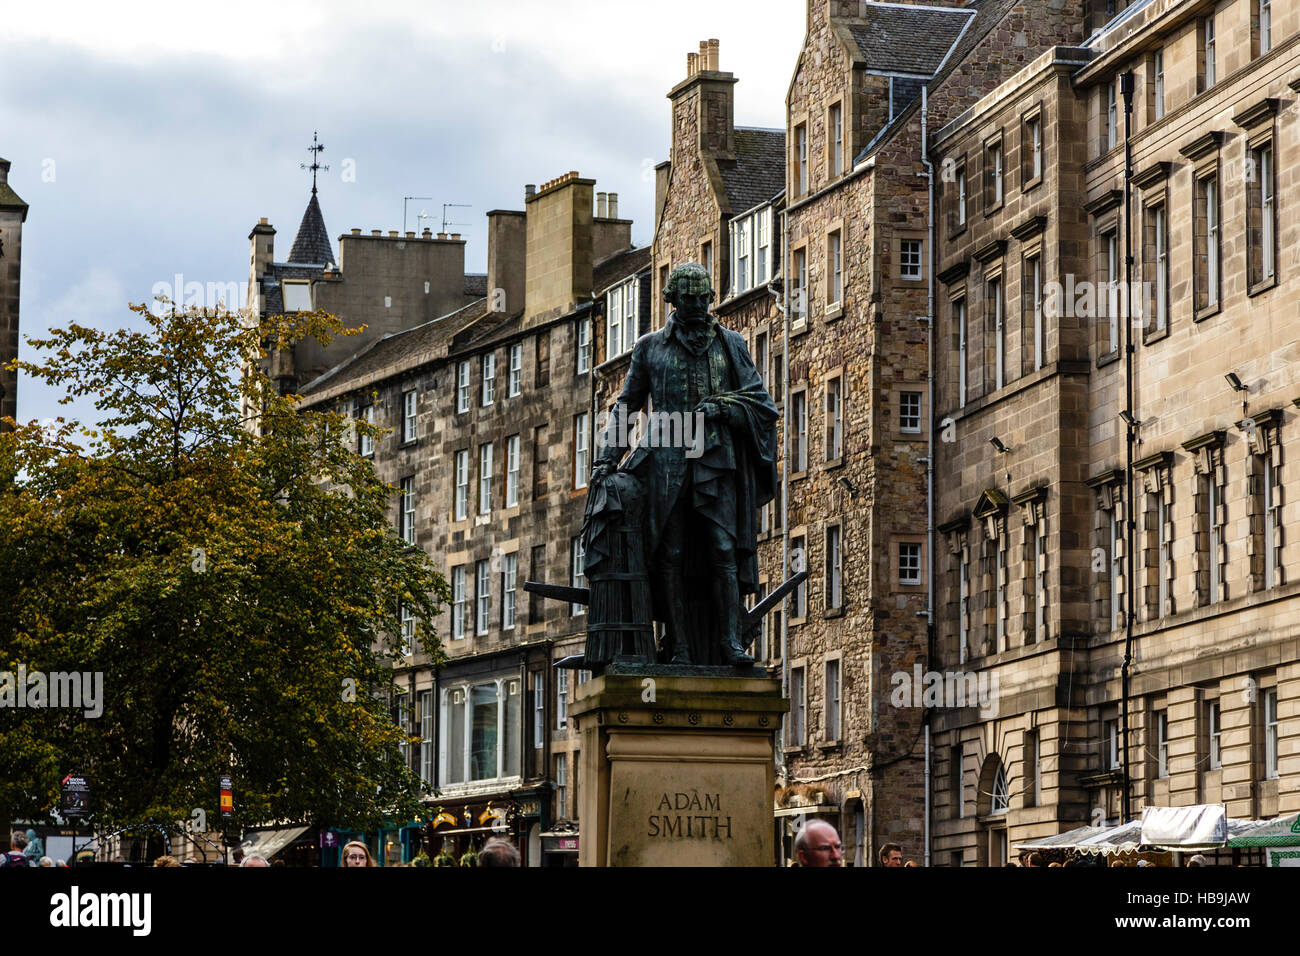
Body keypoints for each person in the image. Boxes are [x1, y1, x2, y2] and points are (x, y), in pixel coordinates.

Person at [592, 262, 778, 666]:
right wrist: (606, 458)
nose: (696, 305)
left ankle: (730, 642)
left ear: (712, 299)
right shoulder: (649, 347)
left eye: (702, 298)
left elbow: (761, 402)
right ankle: (678, 645)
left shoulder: (731, 344)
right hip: (666, 459)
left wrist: (725, 406)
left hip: (716, 459)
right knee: (670, 552)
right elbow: (627, 404)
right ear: (671, 300)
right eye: (687, 298)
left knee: (723, 548)